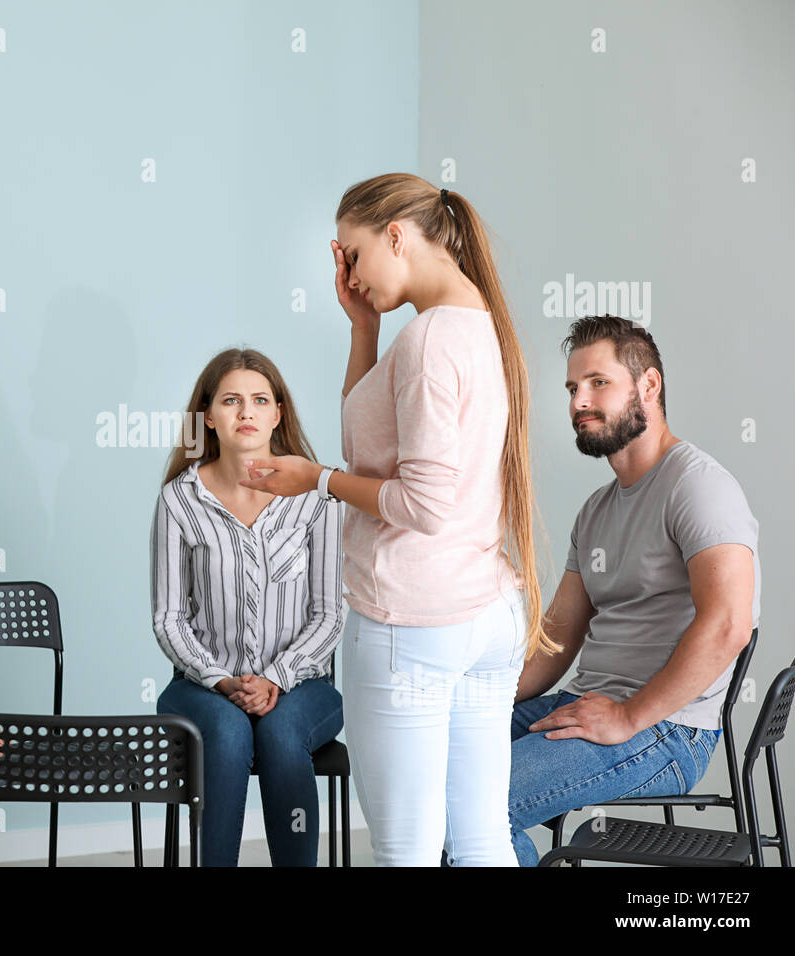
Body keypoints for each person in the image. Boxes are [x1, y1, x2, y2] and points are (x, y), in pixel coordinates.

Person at [241, 175, 548, 865]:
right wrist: (363, 328)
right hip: (486, 614)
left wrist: (315, 480)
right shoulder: (476, 325)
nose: (346, 272)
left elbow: (422, 504)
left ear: (398, 236)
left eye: (352, 253)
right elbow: (369, 437)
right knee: (480, 841)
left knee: (405, 849)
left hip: (414, 620)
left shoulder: (430, 341)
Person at [507, 315, 758, 865]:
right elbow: (557, 637)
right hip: (586, 704)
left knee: (477, 805)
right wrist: (484, 699)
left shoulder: (698, 486)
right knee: (435, 767)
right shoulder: (596, 510)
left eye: (599, 383)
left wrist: (626, 716)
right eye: (573, 388)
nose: (579, 401)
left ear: (649, 386)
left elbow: (728, 626)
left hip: (666, 728)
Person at [151, 348, 345, 867]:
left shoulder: (317, 496)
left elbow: (330, 612)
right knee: (230, 732)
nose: (246, 412)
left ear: (277, 413)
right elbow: (168, 618)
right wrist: (219, 680)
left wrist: (276, 678)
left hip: (304, 687)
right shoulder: (180, 499)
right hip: (200, 687)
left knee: (282, 735)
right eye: (231, 400)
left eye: (260, 400)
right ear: (208, 416)